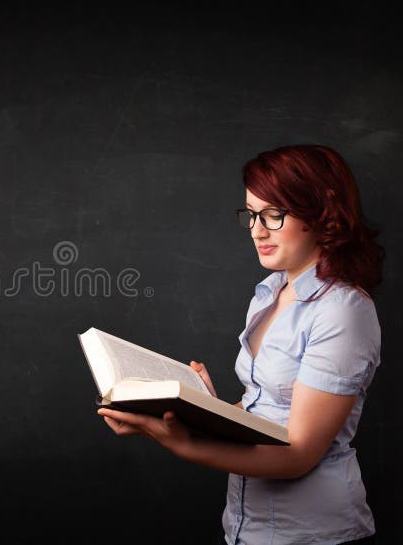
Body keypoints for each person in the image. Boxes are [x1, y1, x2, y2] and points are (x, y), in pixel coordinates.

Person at [98, 144, 384, 545]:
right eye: (251, 214)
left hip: (314, 535)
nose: (257, 230)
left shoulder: (343, 311)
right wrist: (203, 410)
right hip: (243, 528)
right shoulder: (269, 294)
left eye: (273, 215)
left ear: (323, 213)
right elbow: (265, 408)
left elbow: (299, 454)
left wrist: (186, 445)